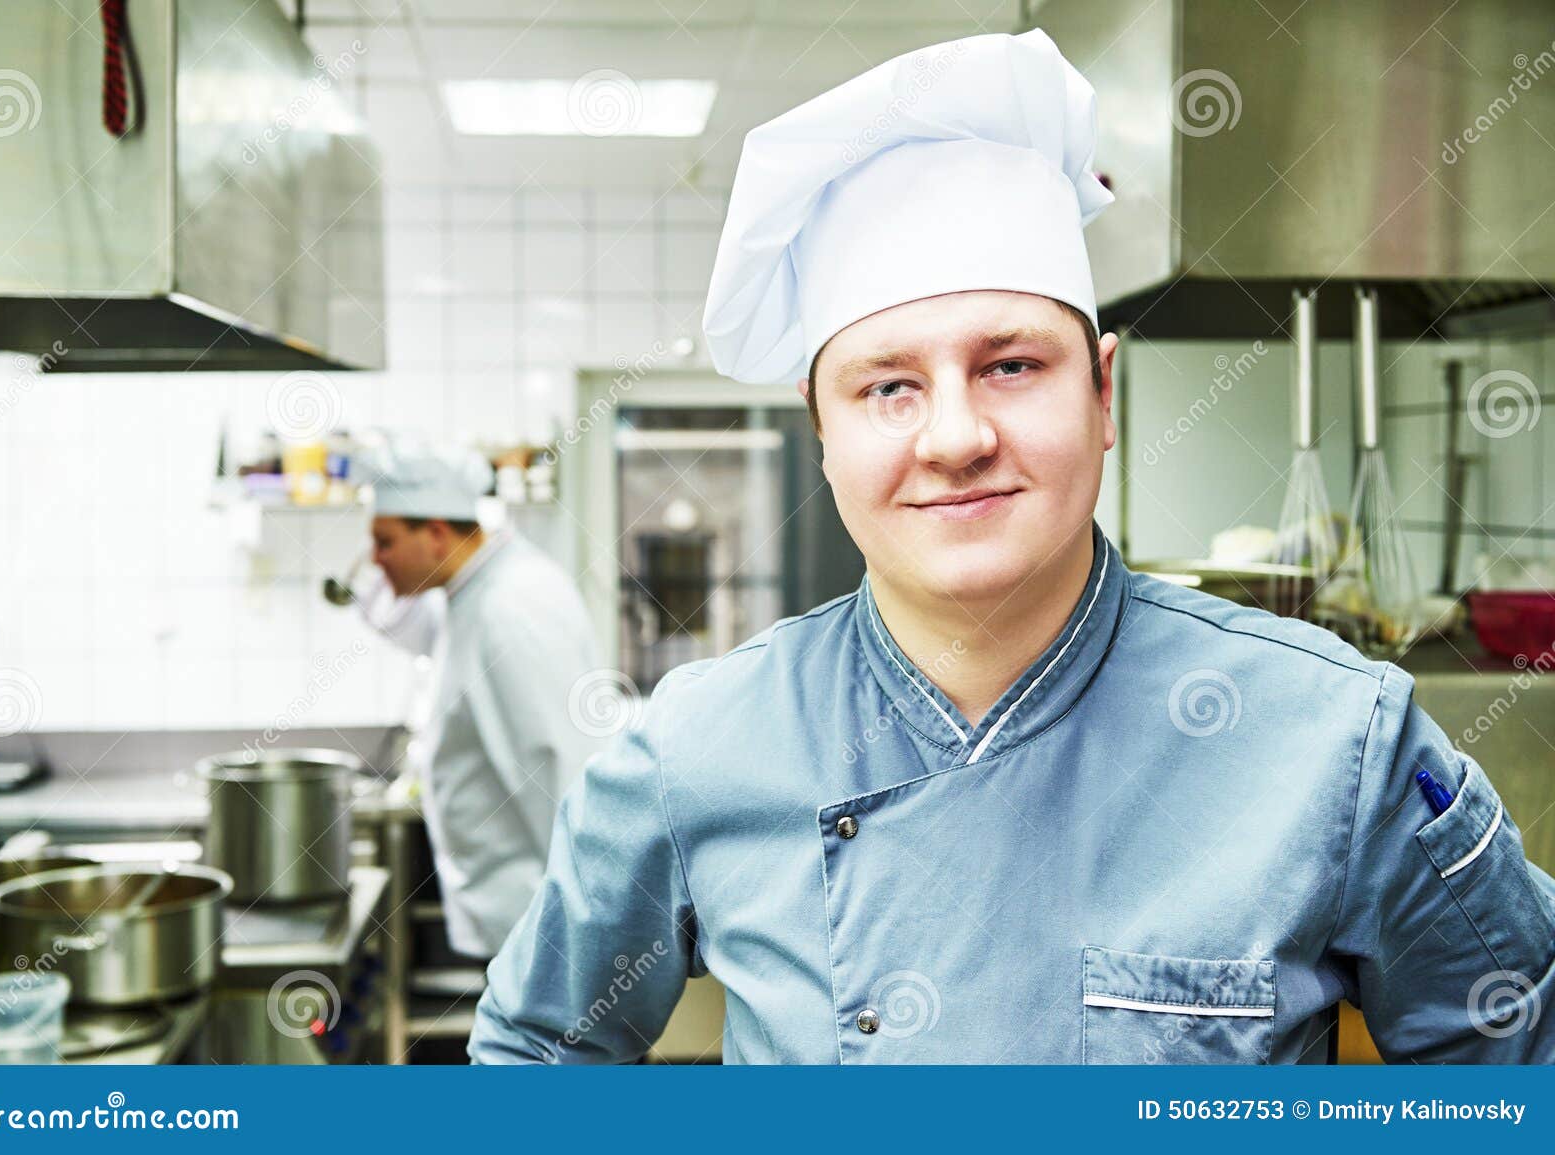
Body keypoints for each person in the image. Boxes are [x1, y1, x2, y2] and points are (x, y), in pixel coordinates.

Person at [468, 31, 1555, 1063]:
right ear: (824, 437)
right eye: (888, 387)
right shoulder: (695, 750)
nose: (953, 438)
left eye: (1010, 367)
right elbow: (533, 1049)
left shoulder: (1335, 742)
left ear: (1104, 392)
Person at [364, 443, 605, 962]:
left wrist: (590, 930)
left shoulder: (508, 608)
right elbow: (383, 612)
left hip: (551, 934)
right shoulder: (472, 592)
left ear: (434, 534)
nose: (375, 559)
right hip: (522, 922)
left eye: (384, 542)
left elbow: (558, 766)